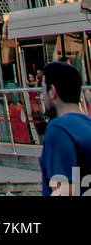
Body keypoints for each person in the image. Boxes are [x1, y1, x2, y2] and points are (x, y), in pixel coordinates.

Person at [39, 61, 91, 197]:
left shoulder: (59, 129)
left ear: (53, 92)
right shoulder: (87, 126)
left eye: (43, 90)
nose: (41, 97)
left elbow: (63, 191)